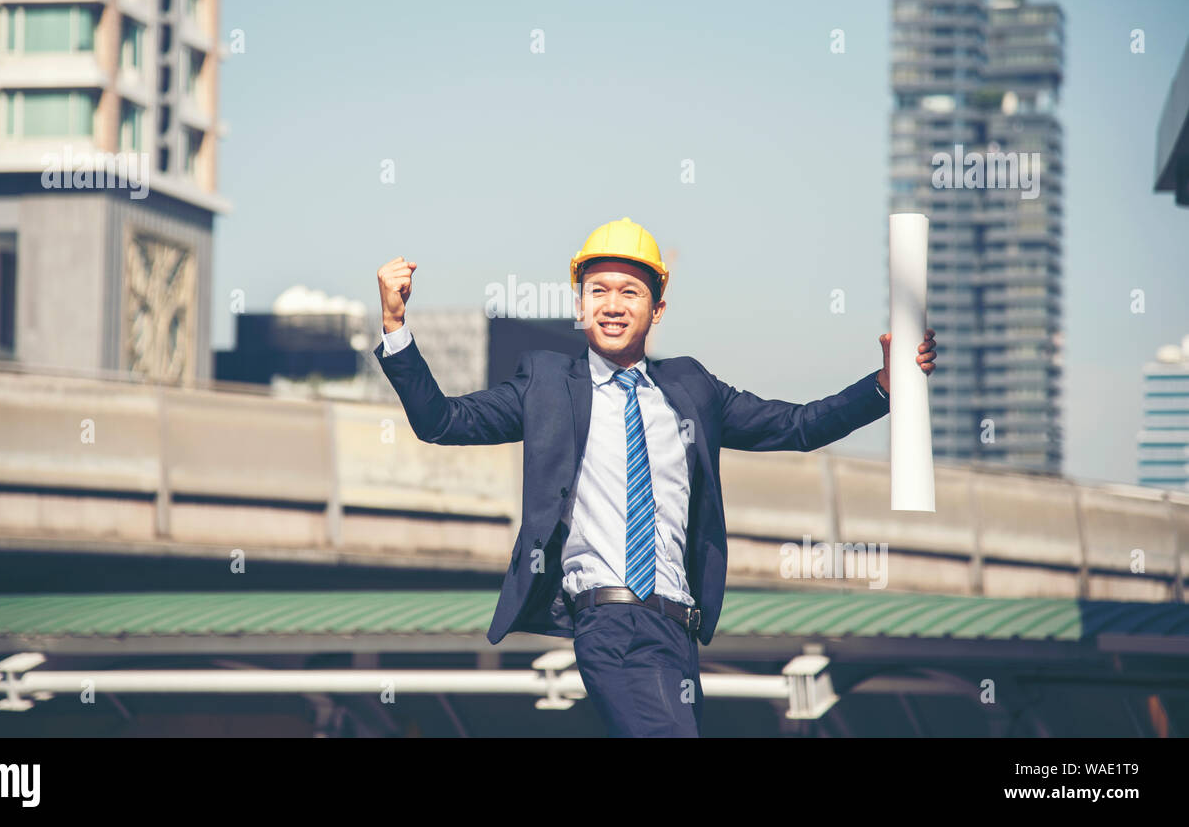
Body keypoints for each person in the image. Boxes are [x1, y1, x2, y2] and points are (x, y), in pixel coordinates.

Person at [374, 217, 937, 736]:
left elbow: (796, 426)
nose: (612, 305)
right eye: (598, 291)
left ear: (658, 309)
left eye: (630, 292)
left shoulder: (691, 387)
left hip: (679, 629)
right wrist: (396, 326)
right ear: (579, 305)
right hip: (609, 622)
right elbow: (441, 422)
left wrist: (883, 386)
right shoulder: (545, 383)